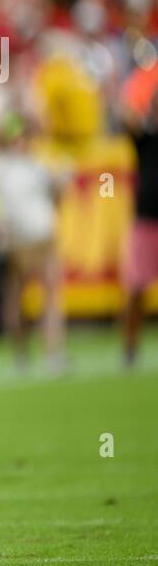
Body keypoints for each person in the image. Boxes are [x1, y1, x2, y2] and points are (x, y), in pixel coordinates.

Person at [0, 110, 68, 373]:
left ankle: (54, 352)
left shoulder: (37, 164)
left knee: (51, 294)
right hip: (15, 240)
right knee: (15, 298)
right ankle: (21, 353)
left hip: (43, 235)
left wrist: (60, 186)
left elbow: (53, 198)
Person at [119, 65, 158, 367]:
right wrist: (137, 84)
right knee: (135, 289)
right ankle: (130, 350)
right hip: (146, 219)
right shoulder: (146, 138)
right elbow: (128, 117)